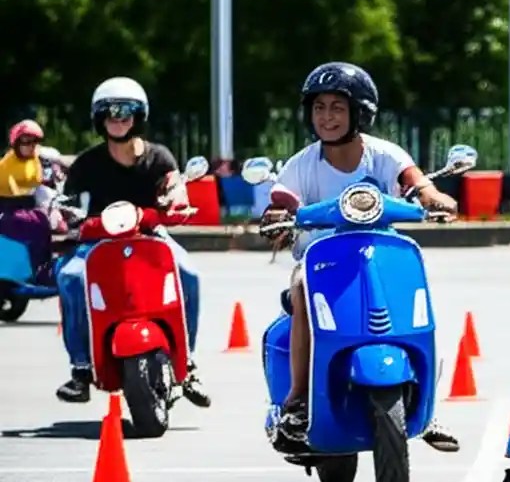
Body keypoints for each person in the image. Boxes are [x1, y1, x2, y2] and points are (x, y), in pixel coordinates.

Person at [260, 61, 462, 453]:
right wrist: (278, 217)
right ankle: (299, 400)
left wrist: (432, 197)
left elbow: (414, 180)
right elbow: (280, 203)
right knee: (299, 286)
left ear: (360, 111)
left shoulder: (384, 155)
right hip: (323, 265)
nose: (327, 117)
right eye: (319, 107)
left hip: (381, 254)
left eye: (337, 106)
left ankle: (427, 401)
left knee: (417, 297)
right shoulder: (302, 164)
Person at [54, 78, 211, 407]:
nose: (118, 117)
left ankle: (189, 362)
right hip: (98, 240)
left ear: (140, 115)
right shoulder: (87, 163)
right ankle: (81, 368)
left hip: (151, 236)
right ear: (99, 118)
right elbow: (65, 204)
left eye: (126, 110)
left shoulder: (159, 157)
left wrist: (176, 200)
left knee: (190, 274)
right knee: (70, 277)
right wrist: (64, 218)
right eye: (109, 111)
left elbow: (172, 186)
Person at [0, 120, 54, 280]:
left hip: (28, 206)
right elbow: (15, 188)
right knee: (32, 223)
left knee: (43, 222)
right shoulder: (7, 164)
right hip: (8, 208)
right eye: (26, 142)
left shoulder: (34, 160)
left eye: (34, 142)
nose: (31, 146)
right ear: (16, 143)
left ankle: (42, 266)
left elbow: (40, 182)